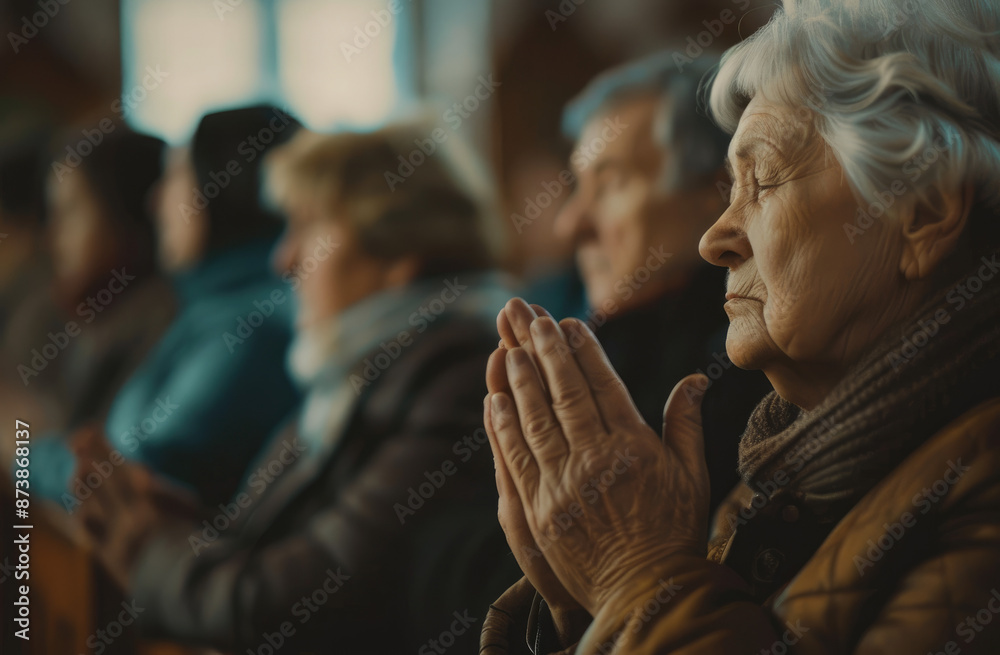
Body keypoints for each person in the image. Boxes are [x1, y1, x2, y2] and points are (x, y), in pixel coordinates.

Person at [480, 0, 1000, 652]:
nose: (715, 238)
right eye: (731, 188)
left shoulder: (980, 490)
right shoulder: (779, 469)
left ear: (924, 210)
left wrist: (633, 575)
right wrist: (582, 612)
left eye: (763, 180)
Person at [72, 125, 520, 653]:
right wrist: (182, 528)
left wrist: (151, 548)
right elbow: (268, 553)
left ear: (399, 252)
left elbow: (287, 605)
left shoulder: (465, 381)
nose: (284, 260)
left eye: (310, 226)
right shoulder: (360, 371)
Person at [32, 107, 302, 508]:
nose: (157, 201)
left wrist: (25, 455)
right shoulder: (207, 310)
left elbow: (133, 482)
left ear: (221, 186)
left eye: (177, 177)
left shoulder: (250, 328)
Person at [545, 51, 772, 510]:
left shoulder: (751, 363)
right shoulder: (594, 332)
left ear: (718, 191)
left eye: (609, 186)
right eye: (577, 189)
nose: (569, 225)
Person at [20, 127, 176, 479]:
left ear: (127, 216)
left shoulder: (160, 325)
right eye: (52, 214)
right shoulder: (88, 321)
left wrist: (21, 446)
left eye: (72, 212)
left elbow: (97, 480)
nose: (52, 236)